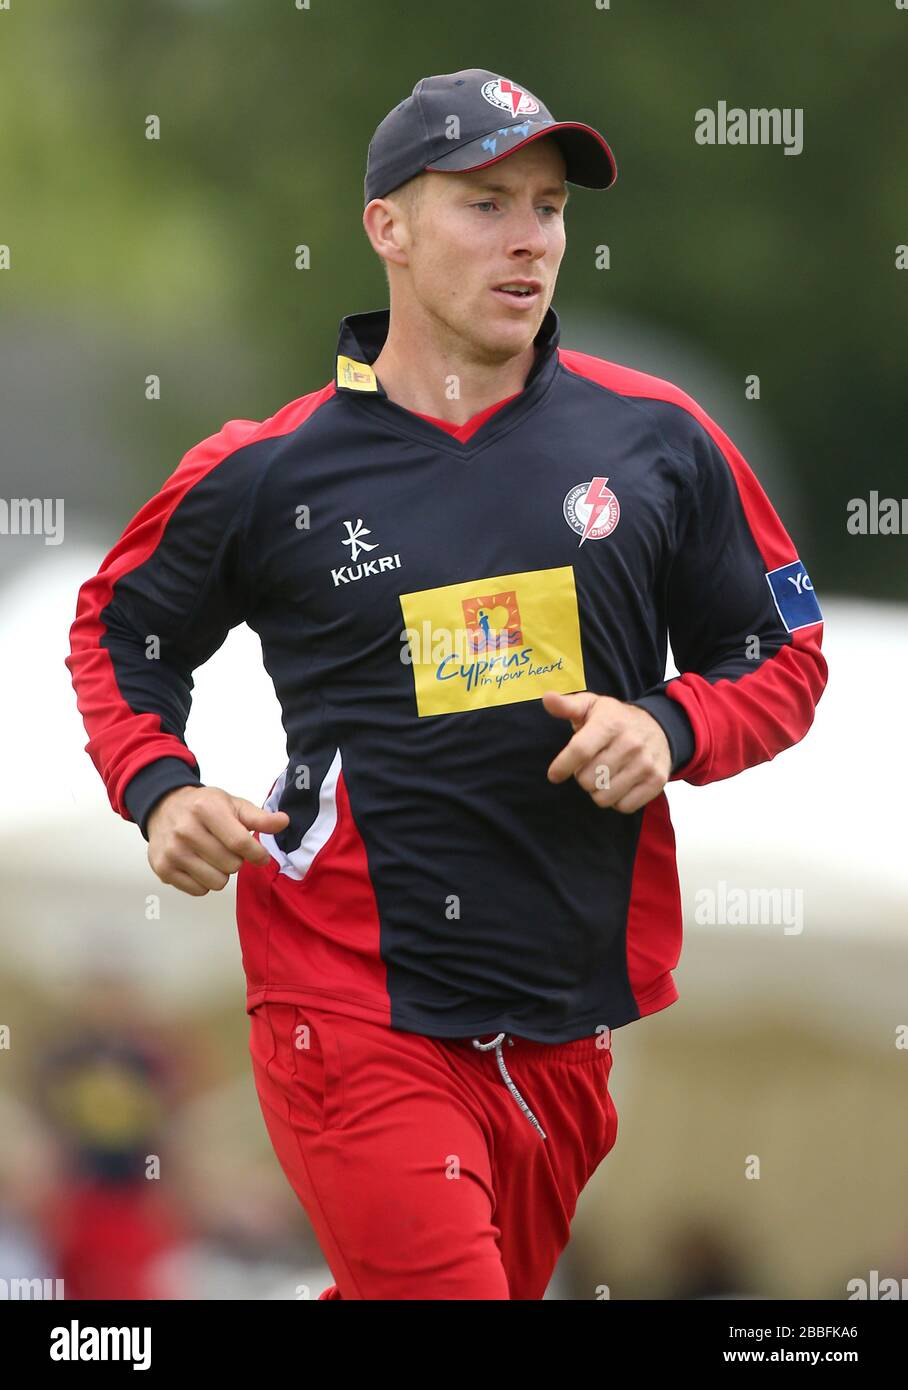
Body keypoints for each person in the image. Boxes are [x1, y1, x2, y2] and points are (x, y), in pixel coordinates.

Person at [65, 68, 828, 1300]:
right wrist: (158, 785)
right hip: (349, 1007)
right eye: (483, 203)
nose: (528, 235)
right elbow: (118, 631)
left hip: (562, 1039)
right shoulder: (267, 470)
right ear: (389, 228)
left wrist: (671, 724)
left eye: (546, 206)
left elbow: (783, 652)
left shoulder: (658, 439)